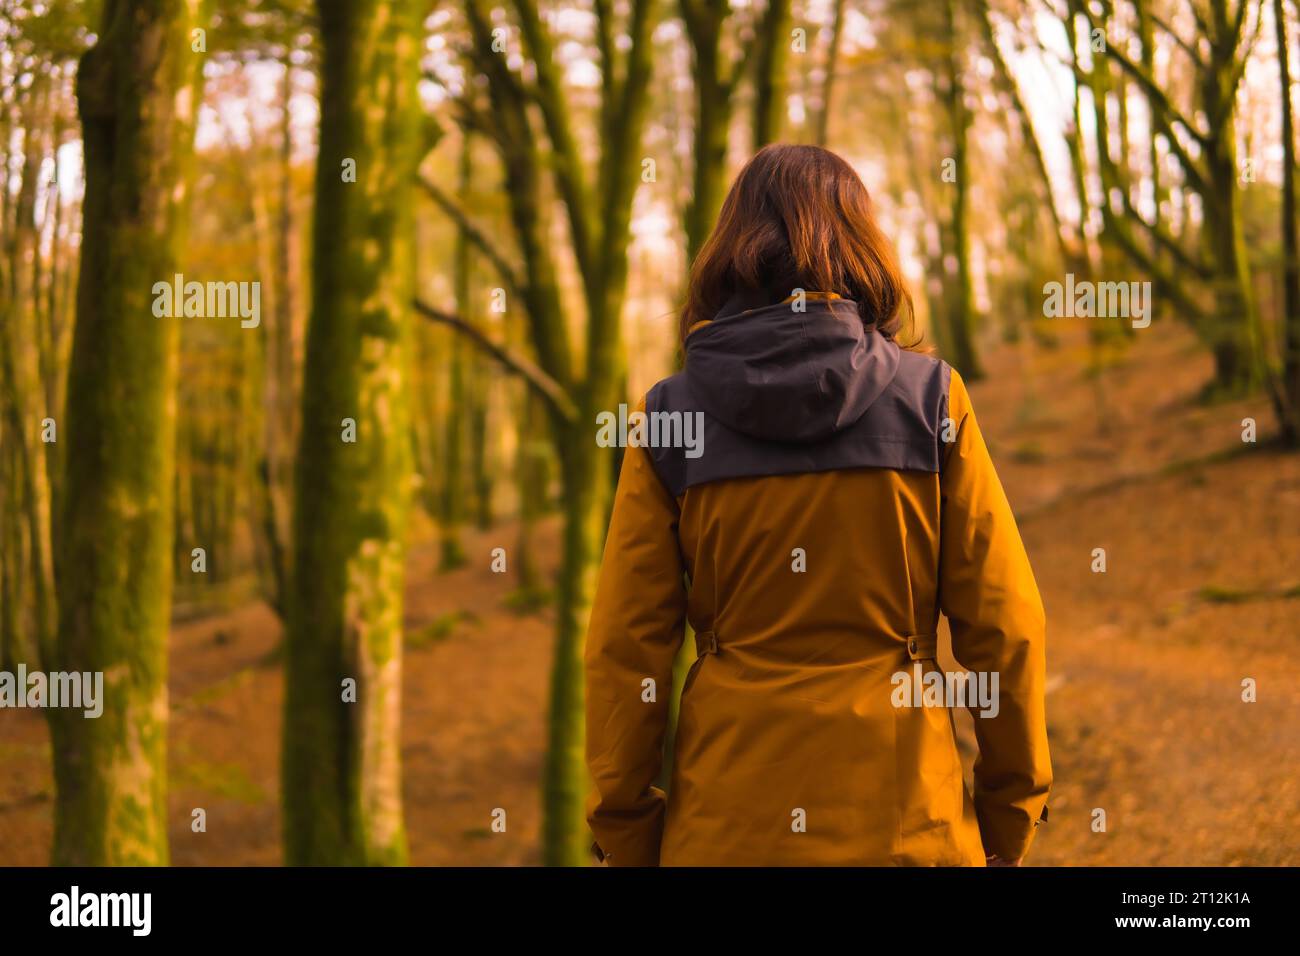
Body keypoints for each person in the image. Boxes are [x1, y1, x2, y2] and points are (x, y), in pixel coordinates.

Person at [584, 143, 1050, 866]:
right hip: (909, 826)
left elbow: (626, 648)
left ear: (730, 252)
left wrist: (628, 832)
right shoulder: (931, 400)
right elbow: (1004, 626)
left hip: (725, 833)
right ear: (861, 247)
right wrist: (1008, 814)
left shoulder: (668, 418)